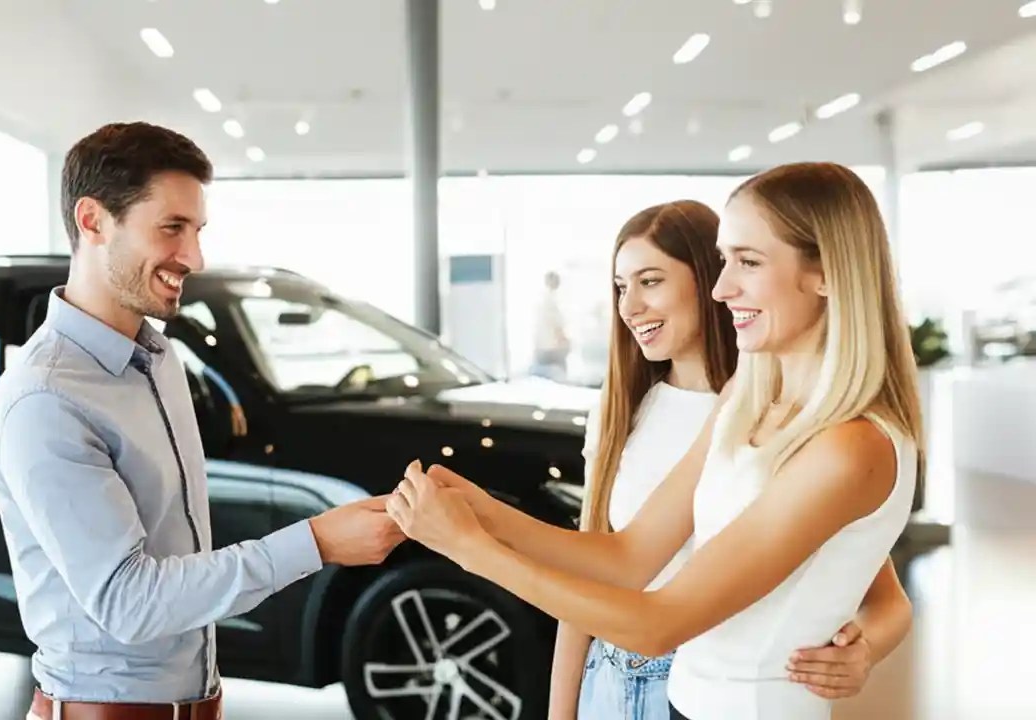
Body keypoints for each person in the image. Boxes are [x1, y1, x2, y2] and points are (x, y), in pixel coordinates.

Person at [387, 162, 921, 720]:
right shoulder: (746, 400)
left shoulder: (852, 448)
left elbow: (659, 624)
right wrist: (482, 513)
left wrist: (472, 550)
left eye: (748, 262)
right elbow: (628, 557)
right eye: (724, 260)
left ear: (828, 273)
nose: (723, 287)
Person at [0, 121, 406, 720]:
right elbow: (130, 603)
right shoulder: (45, 399)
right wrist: (318, 542)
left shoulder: (158, 359)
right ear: (93, 220)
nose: (195, 256)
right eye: (171, 228)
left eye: (197, 230)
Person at [544, 199, 912, 720]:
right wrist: (562, 711)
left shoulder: (774, 422)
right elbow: (596, 566)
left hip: (703, 684)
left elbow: (887, 599)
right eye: (621, 287)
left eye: (650, 281)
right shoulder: (621, 409)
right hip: (610, 677)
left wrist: (864, 648)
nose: (629, 307)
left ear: (705, 277)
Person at [532, 270, 572, 380]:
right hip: (551, 350)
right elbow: (556, 326)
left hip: (542, 349)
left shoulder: (542, 299)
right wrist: (565, 342)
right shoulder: (550, 300)